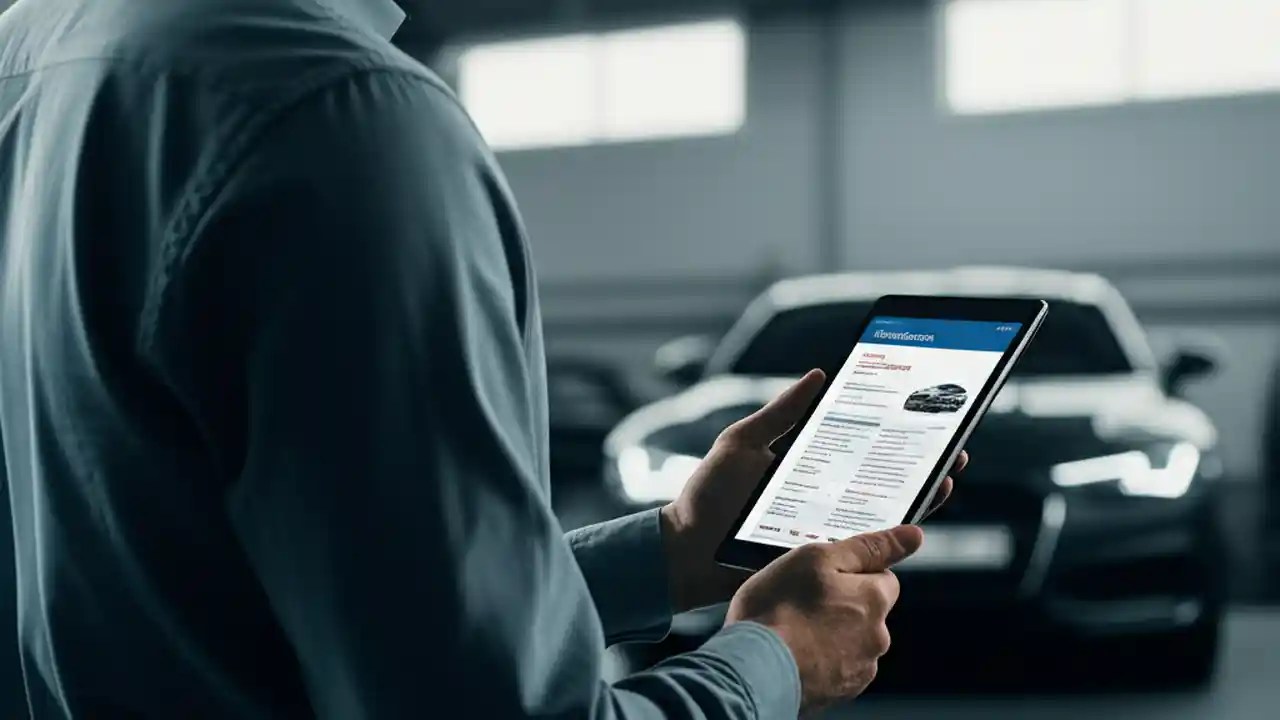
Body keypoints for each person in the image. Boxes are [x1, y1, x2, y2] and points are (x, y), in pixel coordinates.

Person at [0, 0, 962, 716]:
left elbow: (296, 607)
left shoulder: (38, 57)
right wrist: (772, 662)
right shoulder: (336, 113)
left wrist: (668, 551)